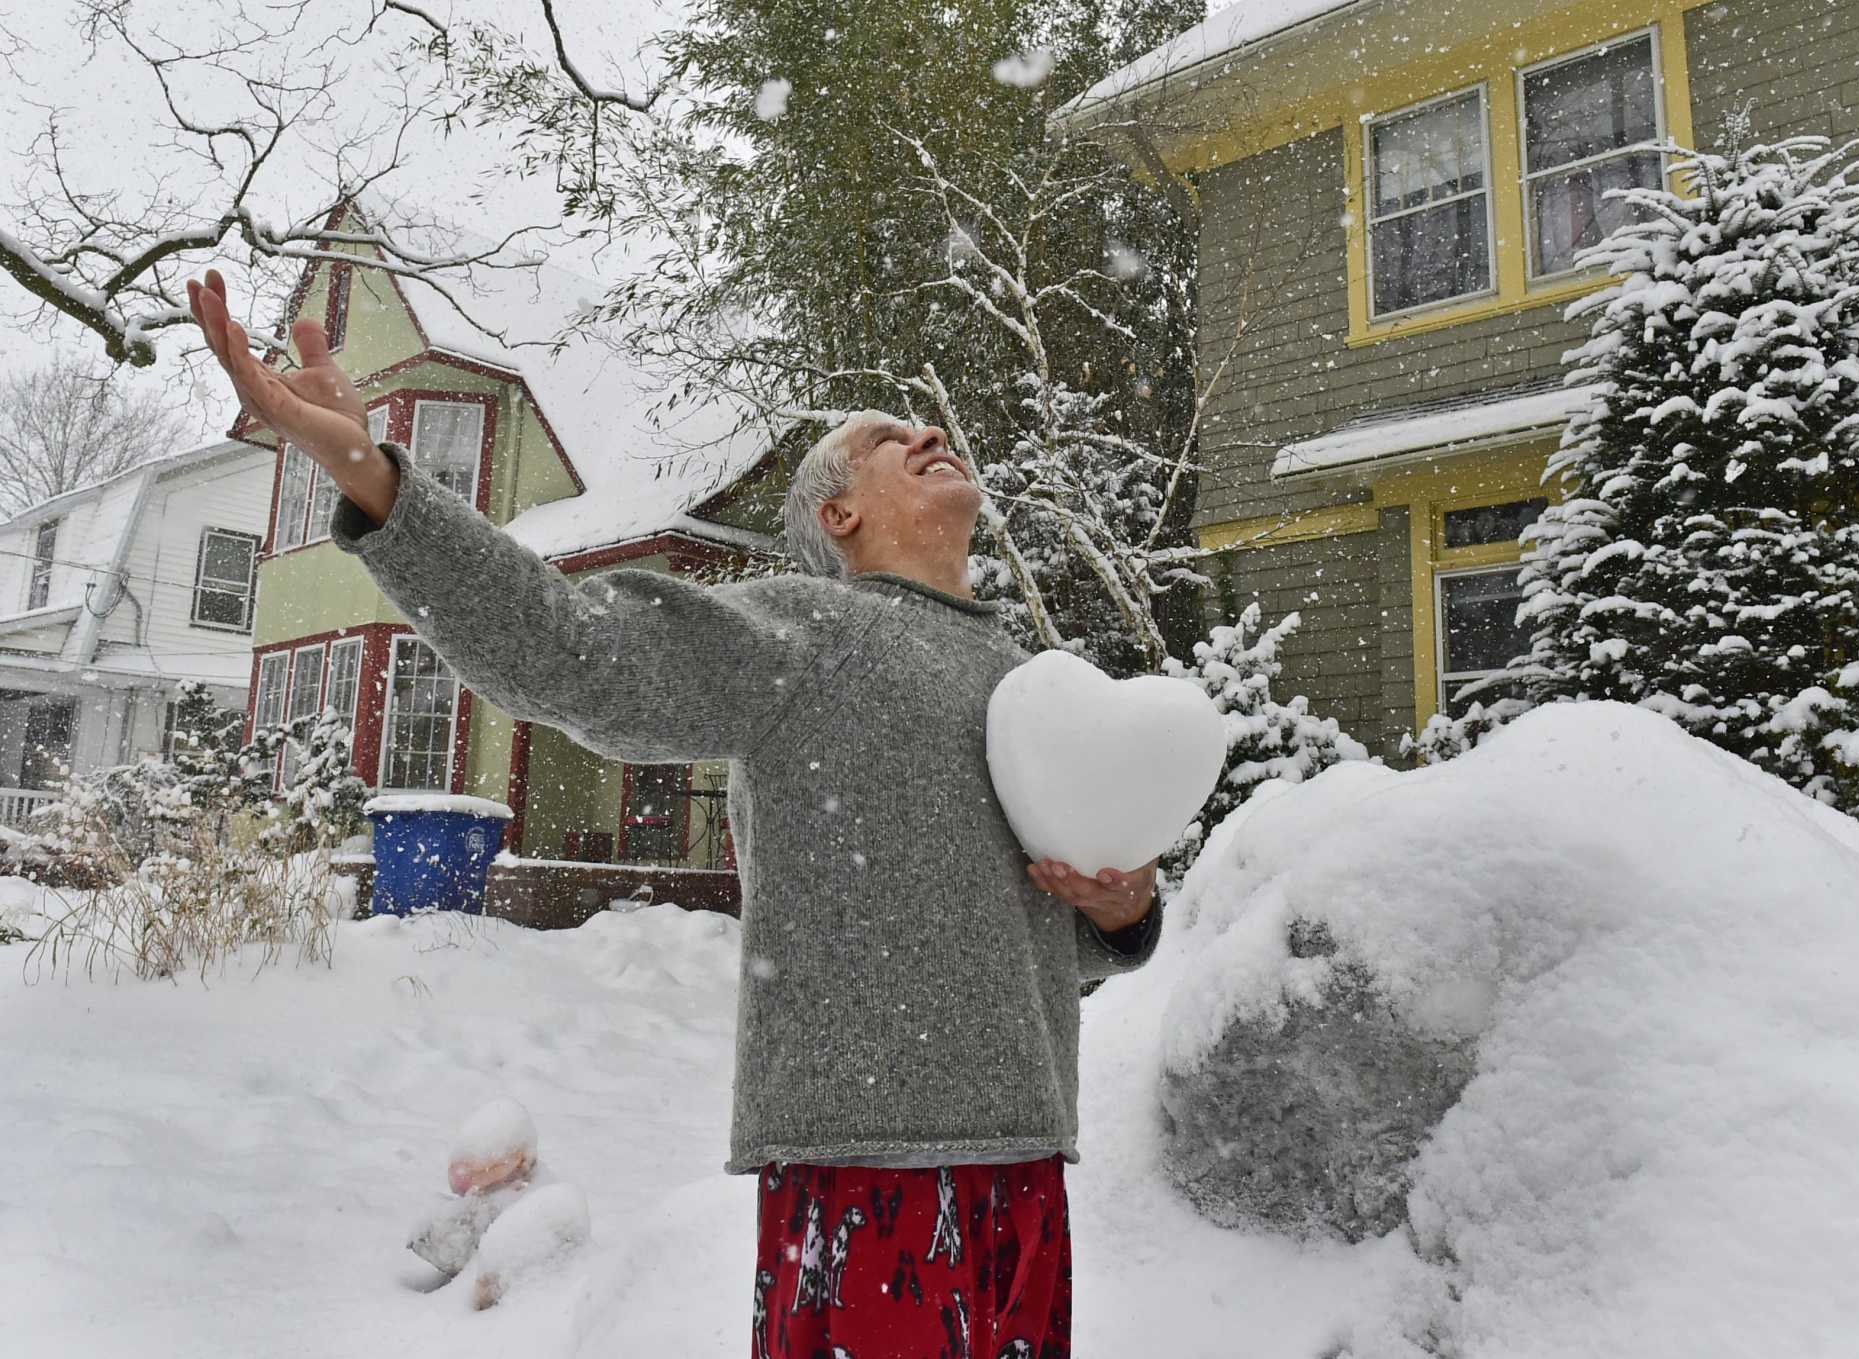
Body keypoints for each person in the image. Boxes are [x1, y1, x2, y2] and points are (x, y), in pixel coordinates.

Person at [187, 271, 1162, 1357]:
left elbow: (1051, 943)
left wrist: (1121, 912)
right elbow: (570, 650)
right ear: (836, 513)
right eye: (888, 437)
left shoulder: (1024, 679)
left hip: (1025, 1162)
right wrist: (368, 475)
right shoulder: (806, 633)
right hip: (866, 1170)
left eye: (924, 426)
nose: (928, 429)